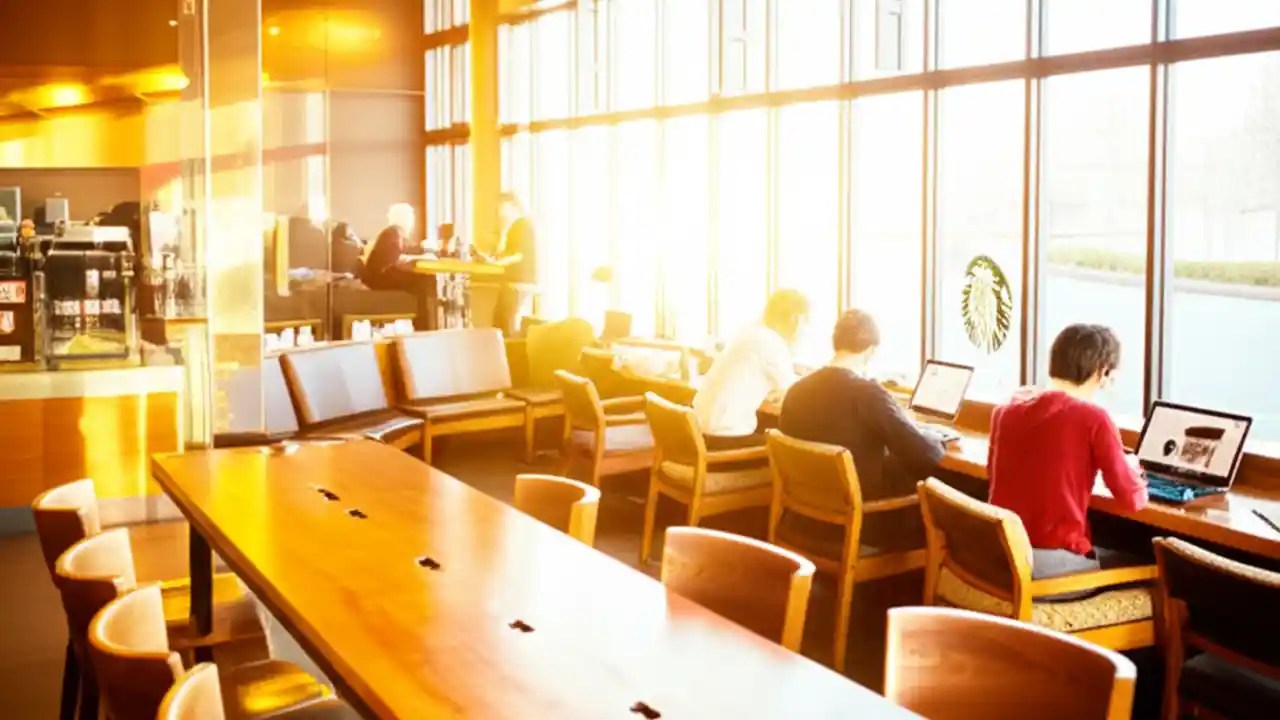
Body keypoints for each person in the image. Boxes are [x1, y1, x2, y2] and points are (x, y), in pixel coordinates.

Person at [987, 323, 1148, 584]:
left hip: (1000, 557)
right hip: (1047, 568)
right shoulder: (1093, 418)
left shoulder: (1007, 408)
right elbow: (1133, 499)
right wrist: (1133, 468)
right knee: (1155, 570)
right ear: (1101, 371)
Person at [780, 309, 948, 507]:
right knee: (942, 480)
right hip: (857, 503)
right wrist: (937, 439)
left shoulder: (796, 391)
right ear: (870, 350)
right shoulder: (868, 394)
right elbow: (924, 453)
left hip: (806, 499)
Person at [693, 290, 809, 450]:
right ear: (795, 319)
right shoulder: (772, 343)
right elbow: (799, 392)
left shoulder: (749, 333)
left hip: (699, 436)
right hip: (724, 440)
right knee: (790, 452)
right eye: (805, 321)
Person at [487, 193, 538, 335]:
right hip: (517, 281)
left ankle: (508, 349)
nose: (499, 212)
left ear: (513, 206)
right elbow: (505, 252)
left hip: (519, 281)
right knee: (503, 318)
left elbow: (518, 254)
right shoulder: (516, 226)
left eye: (502, 207)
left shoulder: (522, 224)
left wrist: (497, 263)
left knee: (506, 319)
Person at [360, 203, 418, 292]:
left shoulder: (394, 233)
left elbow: (407, 250)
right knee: (424, 279)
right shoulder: (394, 233)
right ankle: (427, 305)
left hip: (377, 278)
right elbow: (394, 260)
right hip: (378, 279)